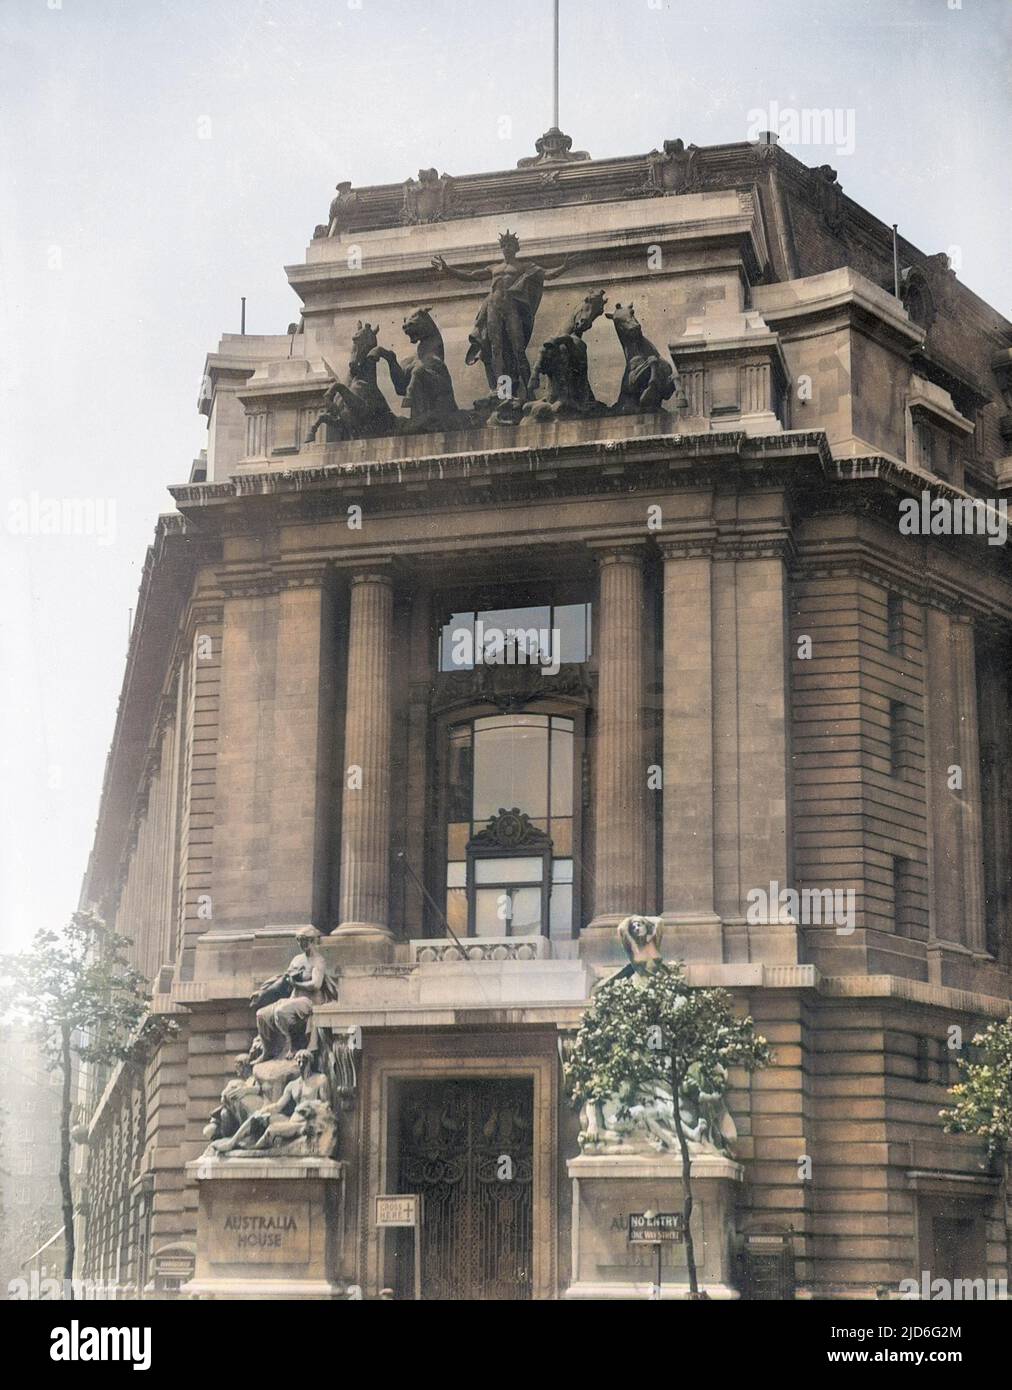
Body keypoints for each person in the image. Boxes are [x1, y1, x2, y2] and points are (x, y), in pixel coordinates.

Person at [432, 231, 575, 409]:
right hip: (493, 309)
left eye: (509, 245)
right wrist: (447, 269)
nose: (506, 248)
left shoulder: (524, 267)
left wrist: (564, 267)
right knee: (496, 351)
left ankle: (529, 392)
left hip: (512, 310)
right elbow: (470, 275)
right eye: (503, 245)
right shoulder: (494, 268)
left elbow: (547, 274)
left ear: (516, 248)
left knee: (518, 349)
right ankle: (503, 393)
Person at [249, 926, 338, 1061]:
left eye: (305, 941)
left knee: (281, 1011)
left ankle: (293, 1045)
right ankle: (268, 1051)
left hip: (310, 1002)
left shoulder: (318, 961)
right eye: (300, 941)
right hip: (294, 999)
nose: (302, 944)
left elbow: (316, 984)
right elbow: (283, 980)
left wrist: (296, 984)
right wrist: (262, 992)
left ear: (313, 941)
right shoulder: (297, 960)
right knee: (261, 1015)